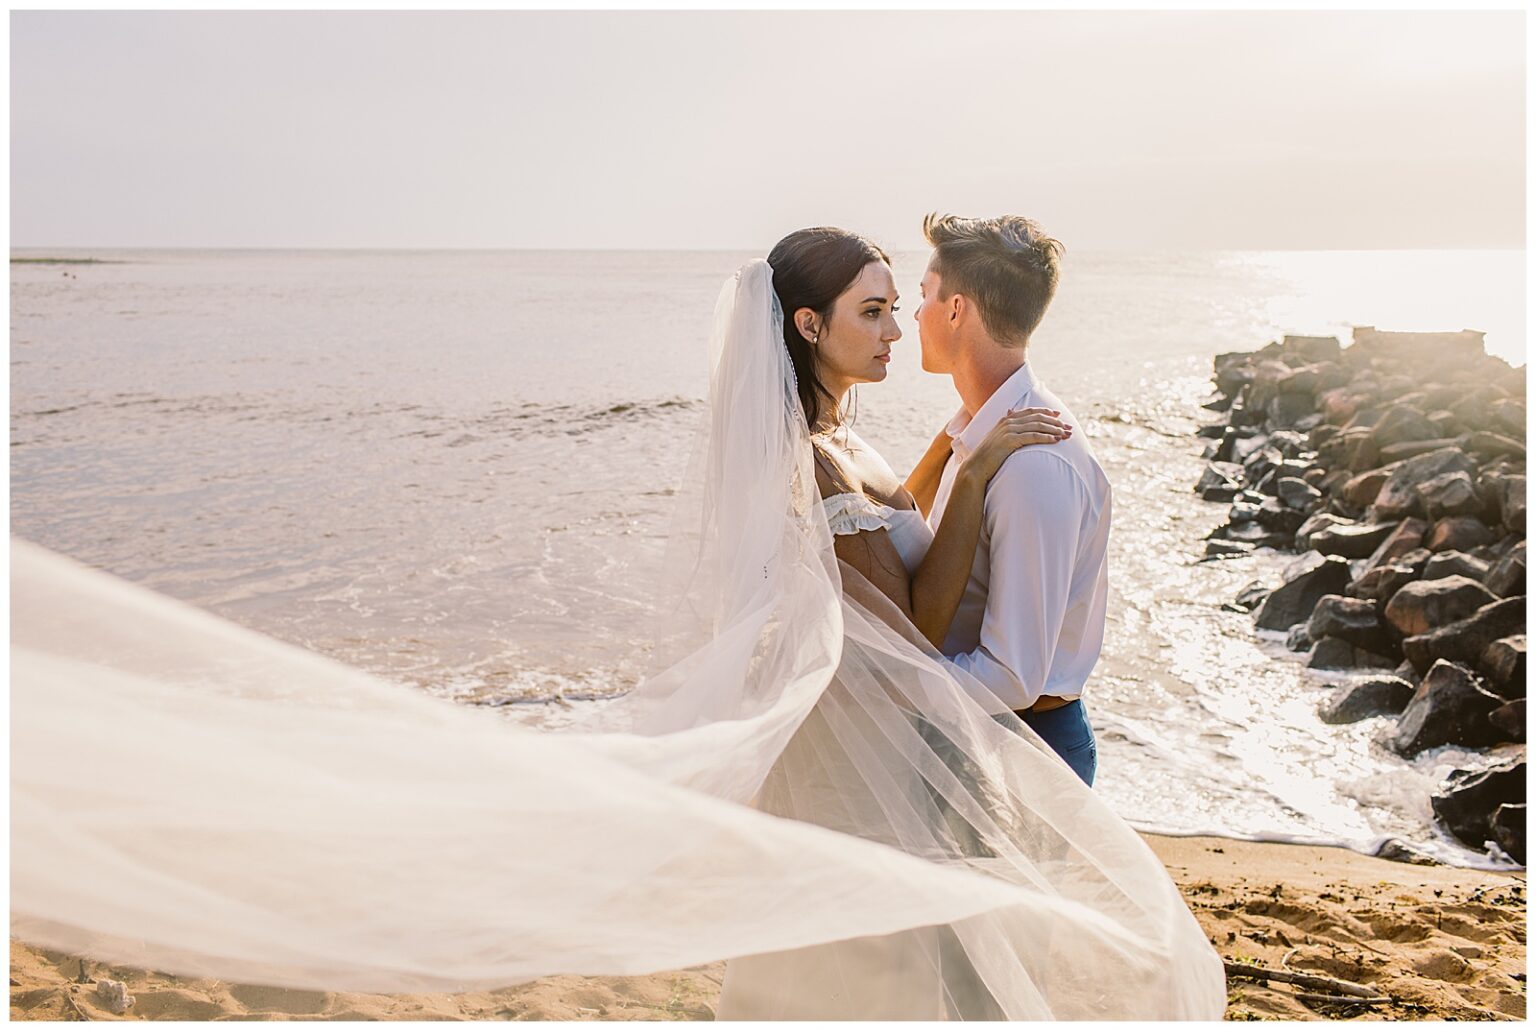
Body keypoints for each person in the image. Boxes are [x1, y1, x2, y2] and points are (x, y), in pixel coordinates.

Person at [10, 229, 1227, 1019]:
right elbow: (908, 602)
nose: (893, 323)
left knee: (899, 963)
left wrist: (959, 448)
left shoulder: (844, 440)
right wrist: (980, 454)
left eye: (899, 303)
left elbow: (889, 516)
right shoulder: (807, 453)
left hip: (880, 745)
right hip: (874, 759)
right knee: (898, 972)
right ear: (808, 327)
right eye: (870, 308)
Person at [914, 212, 1111, 787]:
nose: (913, 316)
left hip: (1022, 758)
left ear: (957, 310)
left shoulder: (1033, 465)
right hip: (983, 739)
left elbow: (1013, 674)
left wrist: (889, 686)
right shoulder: (979, 433)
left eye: (924, 295)